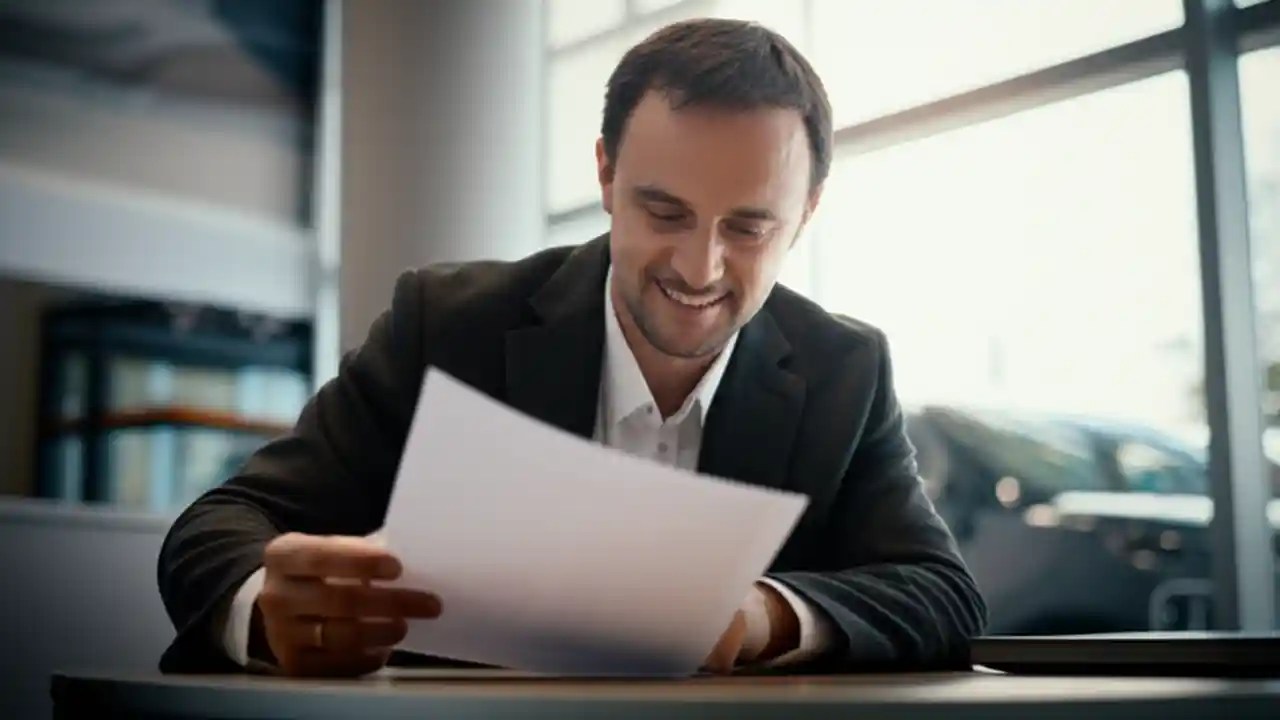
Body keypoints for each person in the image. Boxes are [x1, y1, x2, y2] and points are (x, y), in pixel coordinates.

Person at [158, 18, 986, 677]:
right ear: (604, 174)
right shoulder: (448, 326)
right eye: (663, 213)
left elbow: (943, 595)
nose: (700, 268)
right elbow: (215, 527)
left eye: (748, 227)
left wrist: (758, 615)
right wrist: (270, 606)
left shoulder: (845, 370)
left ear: (805, 212)